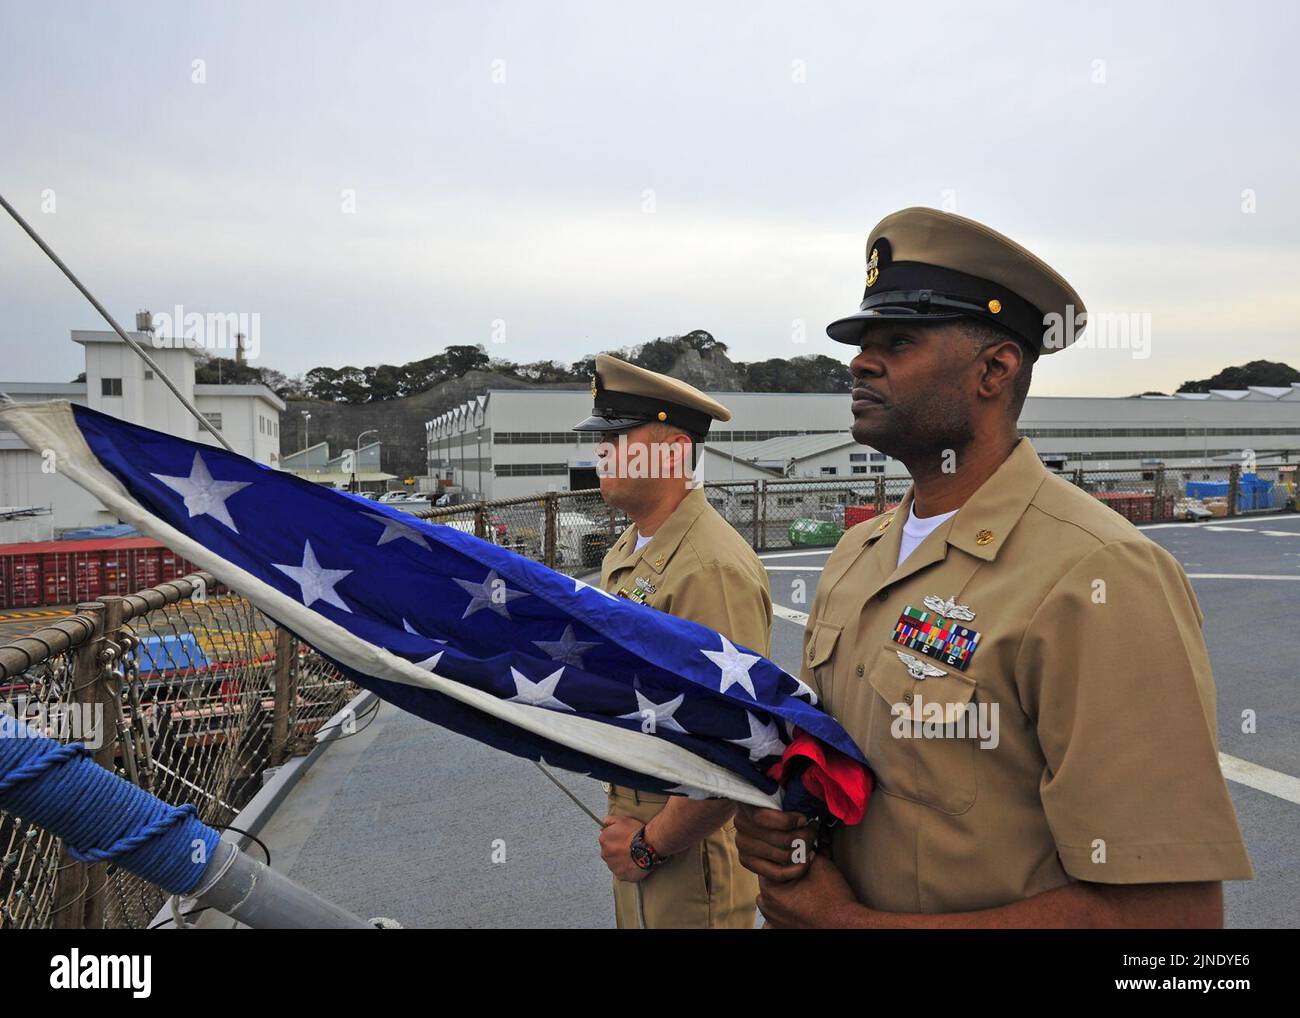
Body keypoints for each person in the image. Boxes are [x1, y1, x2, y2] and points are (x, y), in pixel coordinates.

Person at [734, 207, 1253, 928]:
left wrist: (849, 925)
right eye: (862, 343)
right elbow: (847, 771)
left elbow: (1170, 917)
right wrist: (792, 829)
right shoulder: (859, 553)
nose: (860, 361)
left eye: (900, 340)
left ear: (995, 369)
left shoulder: (1100, 574)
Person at [573, 353, 771, 928]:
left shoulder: (708, 567)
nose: (601, 452)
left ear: (674, 451)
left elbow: (735, 743)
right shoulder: (632, 549)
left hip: (684, 844)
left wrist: (649, 846)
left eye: (617, 436)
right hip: (640, 821)